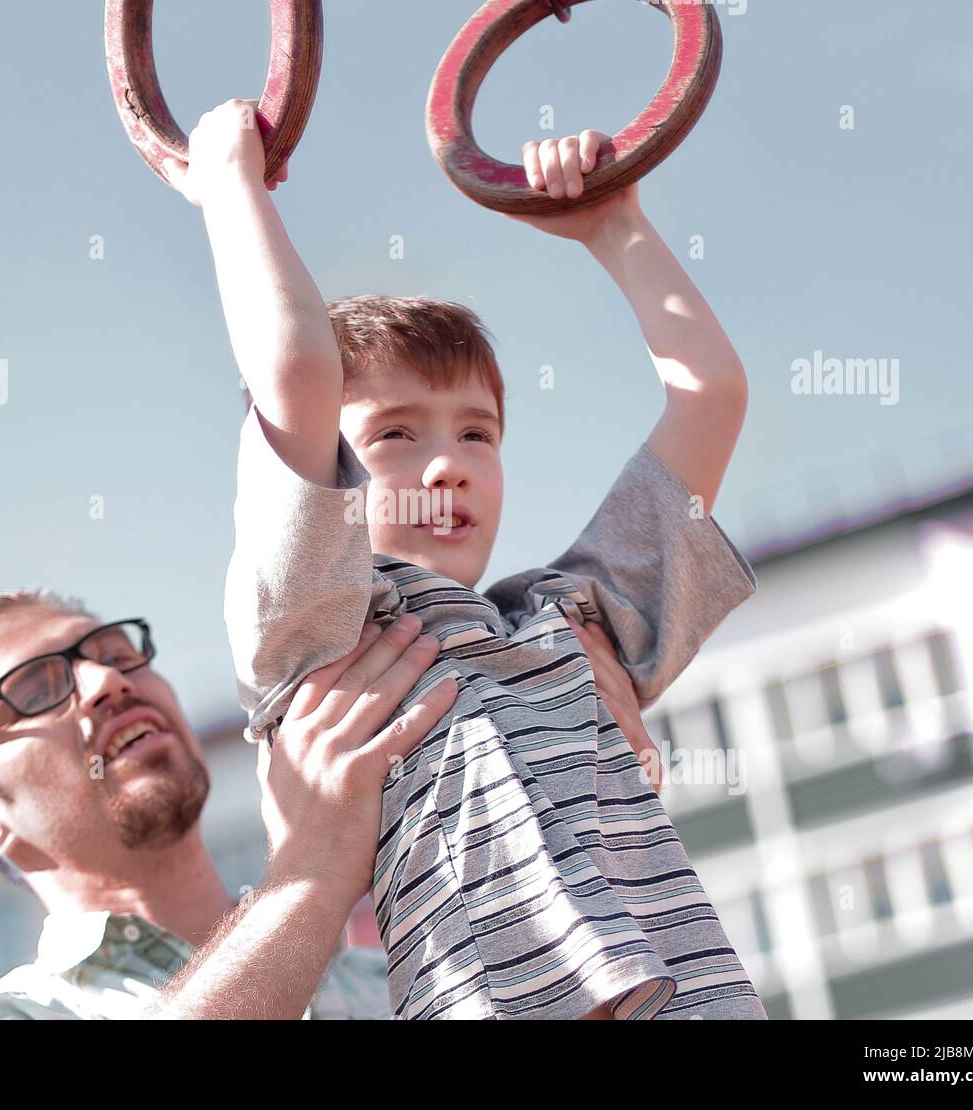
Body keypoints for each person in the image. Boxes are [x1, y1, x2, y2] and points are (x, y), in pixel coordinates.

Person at [179, 100, 766, 1019]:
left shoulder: (572, 623)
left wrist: (617, 227)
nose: (446, 461)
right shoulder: (322, 631)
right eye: (395, 433)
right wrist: (228, 186)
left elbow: (712, 398)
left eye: (476, 432)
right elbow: (295, 375)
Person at [0, 591, 457, 1019]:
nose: (107, 680)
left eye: (118, 653)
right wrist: (311, 875)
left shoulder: (414, 983)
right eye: (34, 690)